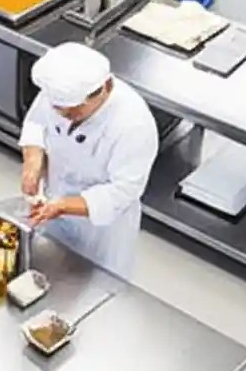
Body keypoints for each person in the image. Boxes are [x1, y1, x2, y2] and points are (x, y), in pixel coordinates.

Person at [19, 43, 158, 279]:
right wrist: (32, 165)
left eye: (74, 111)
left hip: (101, 231)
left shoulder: (133, 124)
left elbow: (124, 191)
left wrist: (64, 205)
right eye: (60, 110)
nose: (66, 116)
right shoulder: (59, 93)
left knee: (97, 290)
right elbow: (36, 124)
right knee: (53, 272)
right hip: (55, 210)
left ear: (106, 87)